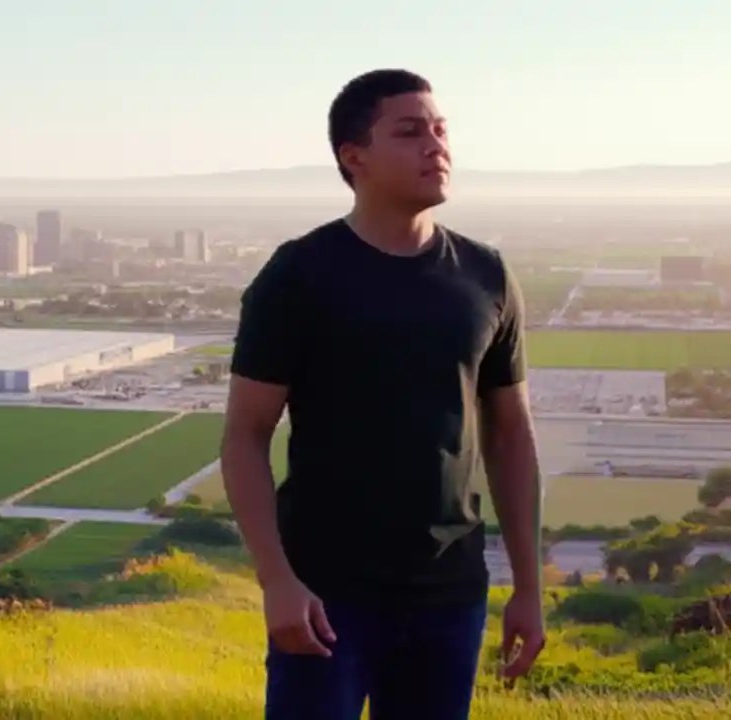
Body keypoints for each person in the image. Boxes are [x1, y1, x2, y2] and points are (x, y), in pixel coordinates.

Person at [220, 69, 546, 719]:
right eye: (410, 131)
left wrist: (528, 588)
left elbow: (511, 435)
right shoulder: (299, 275)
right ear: (354, 157)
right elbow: (244, 437)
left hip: (450, 594)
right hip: (325, 598)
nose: (436, 145)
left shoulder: (486, 275)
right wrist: (277, 581)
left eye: (441, 130)